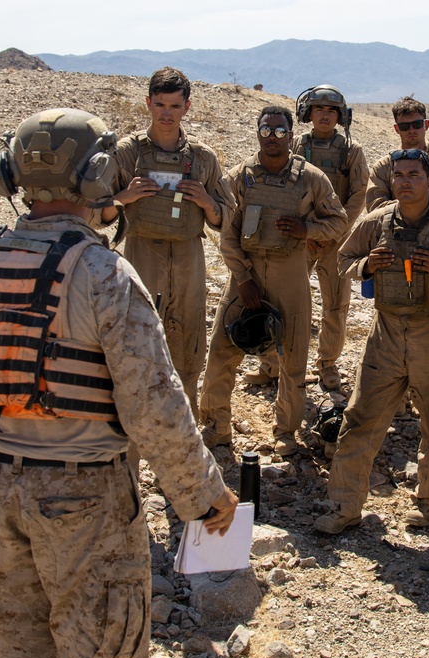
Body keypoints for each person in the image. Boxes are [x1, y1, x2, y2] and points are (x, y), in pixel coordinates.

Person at [0, 108, 237, 658]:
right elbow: (153, 405)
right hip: (89, 504)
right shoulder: (103, 273)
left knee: (20, 654)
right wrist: (203, 496)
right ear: (95, 175)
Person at [313, 148, 429, 533]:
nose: (403, 181)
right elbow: (344, 260)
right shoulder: (377, 221)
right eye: (398, 174)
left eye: (413, 175)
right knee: (360, 420)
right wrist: (368, 265)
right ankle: (344, 507)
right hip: (385, 336)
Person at [198, 106, 347, 455]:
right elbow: (226, 234)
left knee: (293, 356)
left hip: (290, 270)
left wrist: (307, 229)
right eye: (267, 130)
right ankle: (216, 426)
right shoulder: (239, 177)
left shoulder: (311, 178)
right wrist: (243, 278)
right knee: (222, 352)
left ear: (291, 136)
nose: (272, 137)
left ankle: (286, 431)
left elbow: (339, 221)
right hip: (244, 274)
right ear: (258, 132)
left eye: (280, 132)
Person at [102, 67, 236, 410]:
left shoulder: (202, 157)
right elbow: (96, 213)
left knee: (189, 340)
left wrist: (206, 202)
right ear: (148, 103)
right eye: (160, 104)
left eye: (175, 106)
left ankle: (184, 418)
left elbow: (225, 217)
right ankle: (137, 420)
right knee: (137, 338)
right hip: (141, 254)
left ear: (187, 108)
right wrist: (123, 198)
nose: (166, 113)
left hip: (189, 258)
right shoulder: (127, 153)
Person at [247, 85, 369, 391]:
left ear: (341, 116)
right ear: (307, 114)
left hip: (336, 240)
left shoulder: (351, 152)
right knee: (283, 302)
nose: (324, 116)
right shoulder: (296, 146)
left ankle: (328, 364)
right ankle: (273, 363)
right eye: (318, 110)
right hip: (298, 237)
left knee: (335, 305)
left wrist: (333, 230)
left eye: (331, 111)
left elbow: (358, 195)